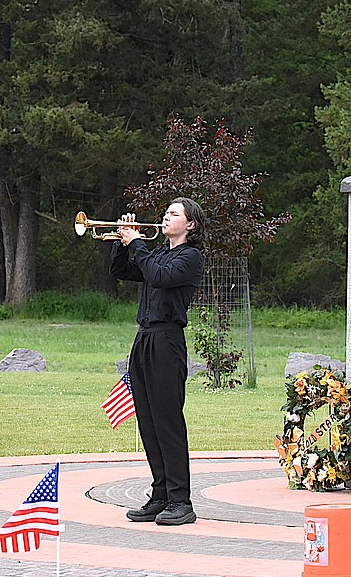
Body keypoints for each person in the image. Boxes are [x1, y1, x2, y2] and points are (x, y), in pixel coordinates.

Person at [110, 197, 206, 526]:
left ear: (190, 224)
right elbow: (121, 270)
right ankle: (161, 494)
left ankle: (182, 500)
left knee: (167, 422)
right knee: (148, 422)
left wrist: (137, 242)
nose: (166, 217)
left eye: (174, 214)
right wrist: (123, 242)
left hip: (167, 341)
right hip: (144, 339)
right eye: (166, 212)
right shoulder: (159, 254)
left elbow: (160, 275)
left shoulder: (190, 257)